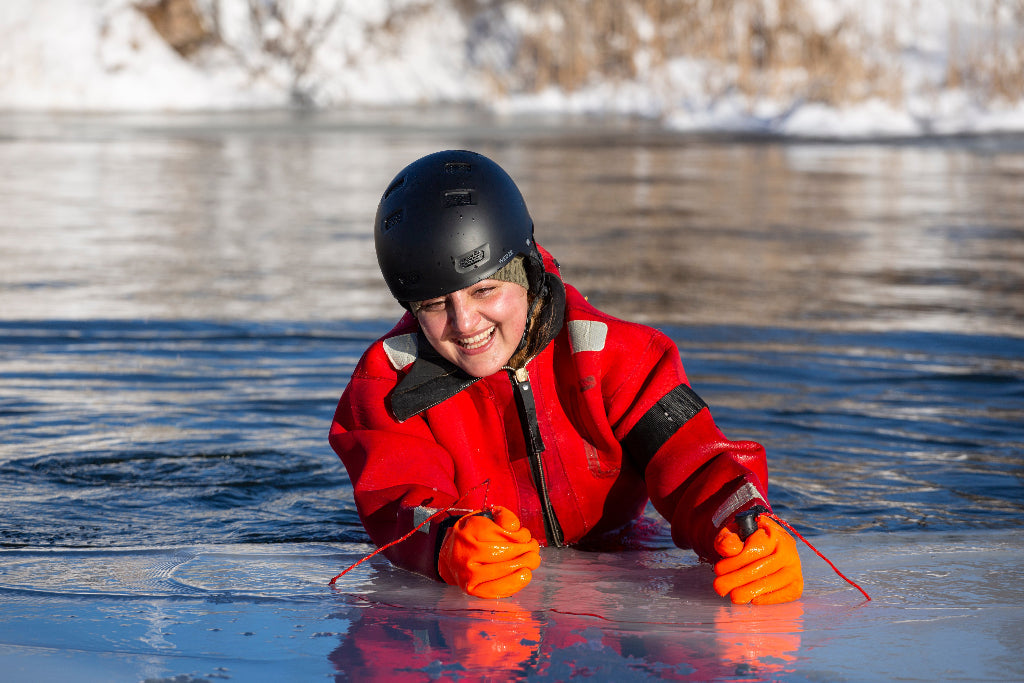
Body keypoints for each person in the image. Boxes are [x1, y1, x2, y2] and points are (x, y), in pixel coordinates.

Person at [329, 150, 802, 604]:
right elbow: (397, 500)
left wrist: (747, 524)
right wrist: (445, 544)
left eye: (485, 290)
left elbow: (695, 464)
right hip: (490, 604)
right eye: (434, 305)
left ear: (527, 272)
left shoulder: (616, 357)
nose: (466, 323)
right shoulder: (387, 386)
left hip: (616, 574)